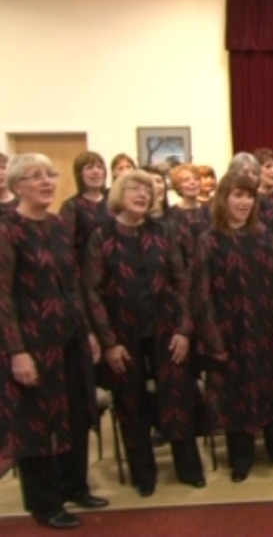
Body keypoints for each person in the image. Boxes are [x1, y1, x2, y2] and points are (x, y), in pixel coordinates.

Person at [1, 153, 108, 530]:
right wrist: (17, 353)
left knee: (76, 415)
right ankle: (45, 503)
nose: (47, 181)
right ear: (17, 187)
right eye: (35, 176)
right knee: (38, 423)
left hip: (70, 338)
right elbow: (3, 297)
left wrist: (90, 332)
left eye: (50, 174)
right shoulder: (7, 230)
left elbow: (75, 284)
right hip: (31, 343)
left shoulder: (60, 225)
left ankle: (74, 486)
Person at [83, 169, 205, 496]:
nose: (142, 195)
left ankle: (189, 468)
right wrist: (108, 343)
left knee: (178, 397)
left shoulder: (165, 231)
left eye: (147, 191)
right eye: (134, 189)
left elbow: (182, 282)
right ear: (119, 195)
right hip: (123, 335)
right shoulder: (101, 236)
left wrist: (183, 330)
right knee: (131, 402)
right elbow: (92, 293)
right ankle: (144, 474)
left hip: (167, 331)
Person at [192, 172, 273, 482]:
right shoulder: (208, 240)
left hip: (265, 327)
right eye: (237, 196)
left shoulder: (265, 235)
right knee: (235, 395)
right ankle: (241, 457)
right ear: (223, 199)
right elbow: (202, 293)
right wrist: (213, 338)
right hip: (230, 330)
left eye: (249, 196)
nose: (243, 202)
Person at [59, 151, 113, 268]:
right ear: (79, 174)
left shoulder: (113, 200)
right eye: (89, 168)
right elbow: (65, 246)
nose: (96, 172)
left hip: (116, 266)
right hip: (86, 269)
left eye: (99, 167)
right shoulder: (71, 205)